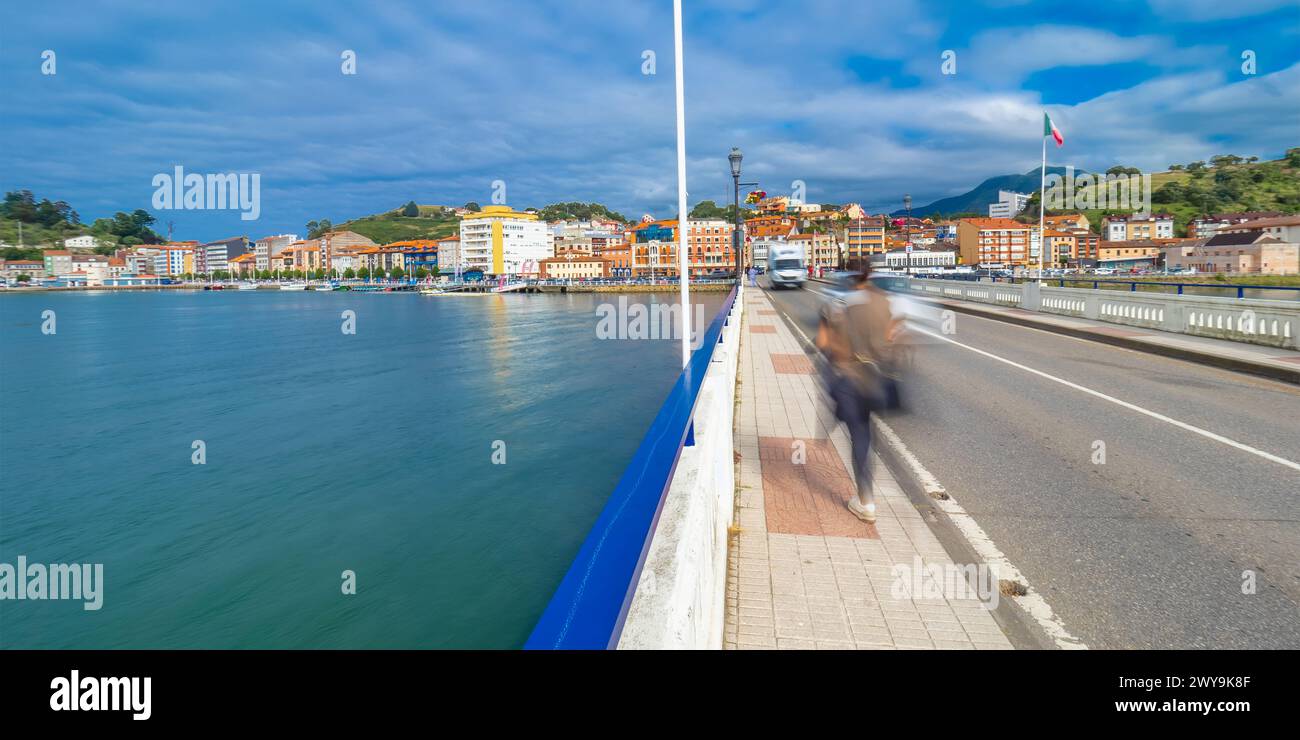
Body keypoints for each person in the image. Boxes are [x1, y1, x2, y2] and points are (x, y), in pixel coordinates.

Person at [814, 267, 901, 524]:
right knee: (867, 434)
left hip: (848, 380)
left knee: (859, 438)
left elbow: (822, 342)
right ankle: (867, 498)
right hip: (875, 380)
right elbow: (890, 336)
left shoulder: (834, 305)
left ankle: (866, 502)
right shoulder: (882, 301)